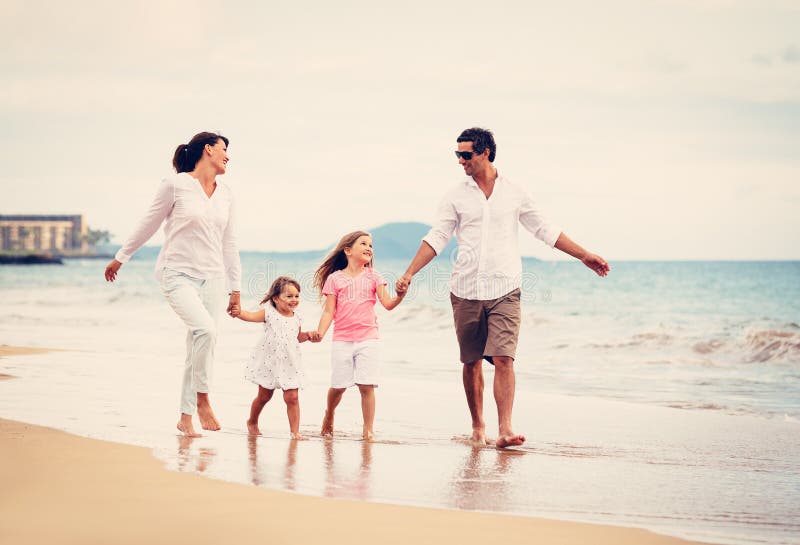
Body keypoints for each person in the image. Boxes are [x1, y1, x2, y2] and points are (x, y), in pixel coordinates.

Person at [396, 127, 609, 449]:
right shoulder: (455, 195)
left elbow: (544, 229)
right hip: (465, 288)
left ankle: (506, 428)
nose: (460, 161)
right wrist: (410, 272)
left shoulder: (515, 191)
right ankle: (478, 426)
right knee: (471, 362)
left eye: (465, 155)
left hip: (505, 286)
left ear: (485, 153)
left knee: (503, 358)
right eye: (457, 155)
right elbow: (438, 236)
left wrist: (584, 255)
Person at [104, 131, 241, 438]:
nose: (228, 156)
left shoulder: (226, 194)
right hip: (177, 274)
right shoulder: (175, 185)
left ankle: (185, 417)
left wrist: (236, 289)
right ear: (208, 150)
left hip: (214, 278)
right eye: (224, 150)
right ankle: (203, 399)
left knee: (199, 346)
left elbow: (230, 243)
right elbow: (149, 222)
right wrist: (121, 257)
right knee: (205, 331)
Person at [312, 231, 407, 441]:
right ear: (348, 250)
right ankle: (329, 414)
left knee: (367, 385)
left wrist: (400, 295)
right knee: (338, 387)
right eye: (363, 243)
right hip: (342, 339)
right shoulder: (335, 279)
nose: (369, 248)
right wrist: (320, 332)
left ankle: (368, 430)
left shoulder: (374, 275)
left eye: (371, 245)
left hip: (368, 339)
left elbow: (388, 304)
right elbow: (329, 311)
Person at [233, 276, 315, 439]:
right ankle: (252, 421)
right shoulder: (269, 313)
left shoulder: (297, 317)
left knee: (292, 397)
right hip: (269, 362)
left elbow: (296, 337)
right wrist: (238, 312)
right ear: (276, 298)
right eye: (289, 296)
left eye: (297, 296)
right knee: (264, 396)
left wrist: (309, 335)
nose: (294, 300)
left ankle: (295, 432)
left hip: (290, 363)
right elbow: (249, 316)